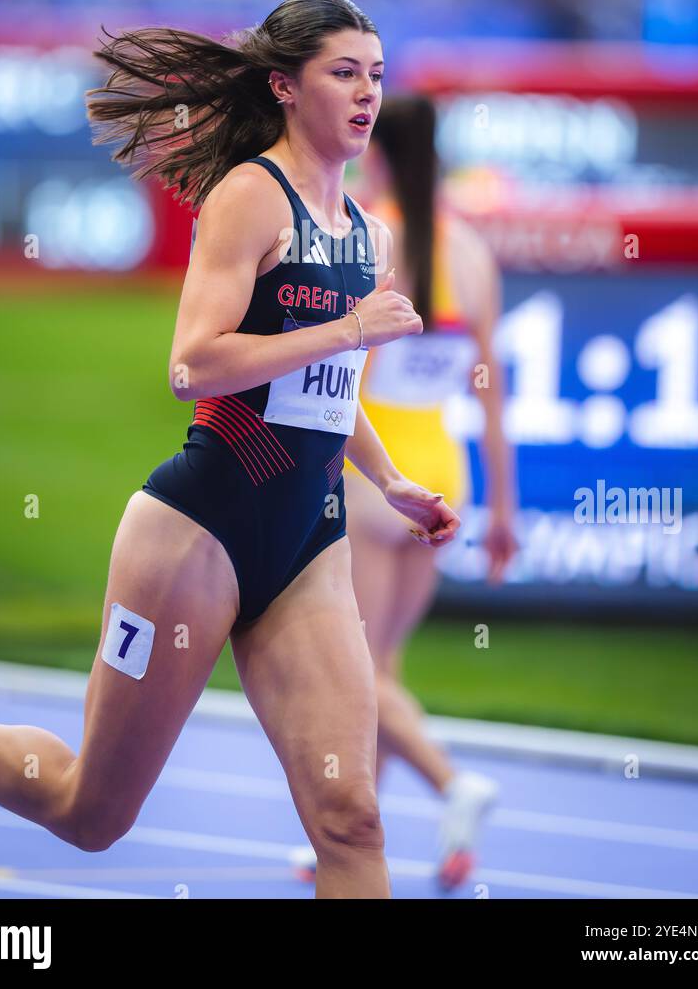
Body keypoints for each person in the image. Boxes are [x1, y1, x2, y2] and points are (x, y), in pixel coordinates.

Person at [0, 0, 462, 901]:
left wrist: (390, 479)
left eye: (378, 76)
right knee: (92, 812)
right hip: (196, 536)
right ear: (283, 86)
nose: (367, 94)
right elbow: (195, 366)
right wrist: (350, 325)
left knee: (351, 817)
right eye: (344, 73)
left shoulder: (369, 231)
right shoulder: (250, 196)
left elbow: (326, 392)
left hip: (310, 545)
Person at [292, 94, 518, 892]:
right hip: (442, 473)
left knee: (357, 671)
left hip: (372, 474)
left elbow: (330, 369)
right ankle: (356, 834)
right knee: (378, 667)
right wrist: (504, 513)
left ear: (374, 152)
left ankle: (453, 784)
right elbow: (491, 395)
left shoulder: (365, 236)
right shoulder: (475, 254)